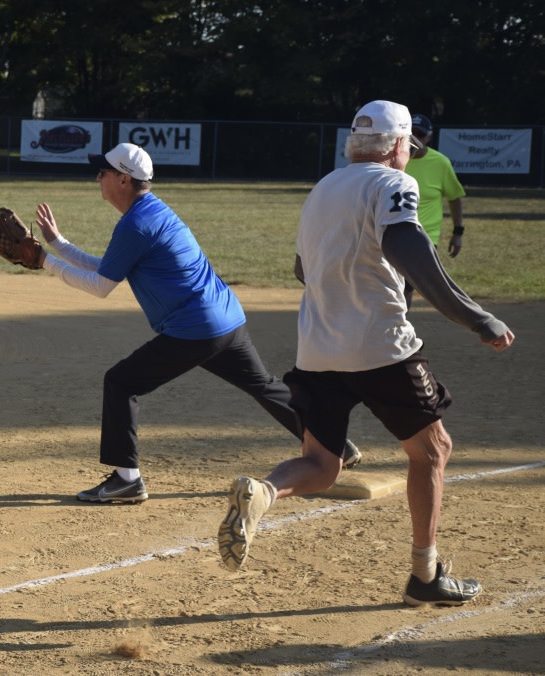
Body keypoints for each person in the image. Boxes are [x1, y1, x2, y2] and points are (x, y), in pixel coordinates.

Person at [217, 101, 515, 607]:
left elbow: (301, 269)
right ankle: (424, 576)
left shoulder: (323, 188)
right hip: (380, 346)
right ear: (399, 146)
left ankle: (263, 492)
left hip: (317, 347)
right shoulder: (393, 184)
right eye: (408, 147)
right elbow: (413, 257)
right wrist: (475, 316)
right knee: (432, 451)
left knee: (320, 464)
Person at [33, 142, 359, 505]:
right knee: (264, 386)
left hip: (195, 329)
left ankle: (127, 479)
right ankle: (334, 442)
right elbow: (108, 266)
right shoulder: (149, 212)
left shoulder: (137, 224)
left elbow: (100, 286)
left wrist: (43, 261)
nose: (98, 177)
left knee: (121, 382)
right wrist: (56, 246)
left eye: (104, 172)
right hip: (225, 320)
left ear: (123, 179)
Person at [402, 113, 466, 306]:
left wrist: (458, 232)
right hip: (391, 230)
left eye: (419, 134)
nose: (414, 138)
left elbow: (454, 198)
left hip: (425, 236)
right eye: (410, 133)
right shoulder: (394, 160)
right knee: (388, 284)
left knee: (406, 285)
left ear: (428, 138)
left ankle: (398, 327)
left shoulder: (440, 163)